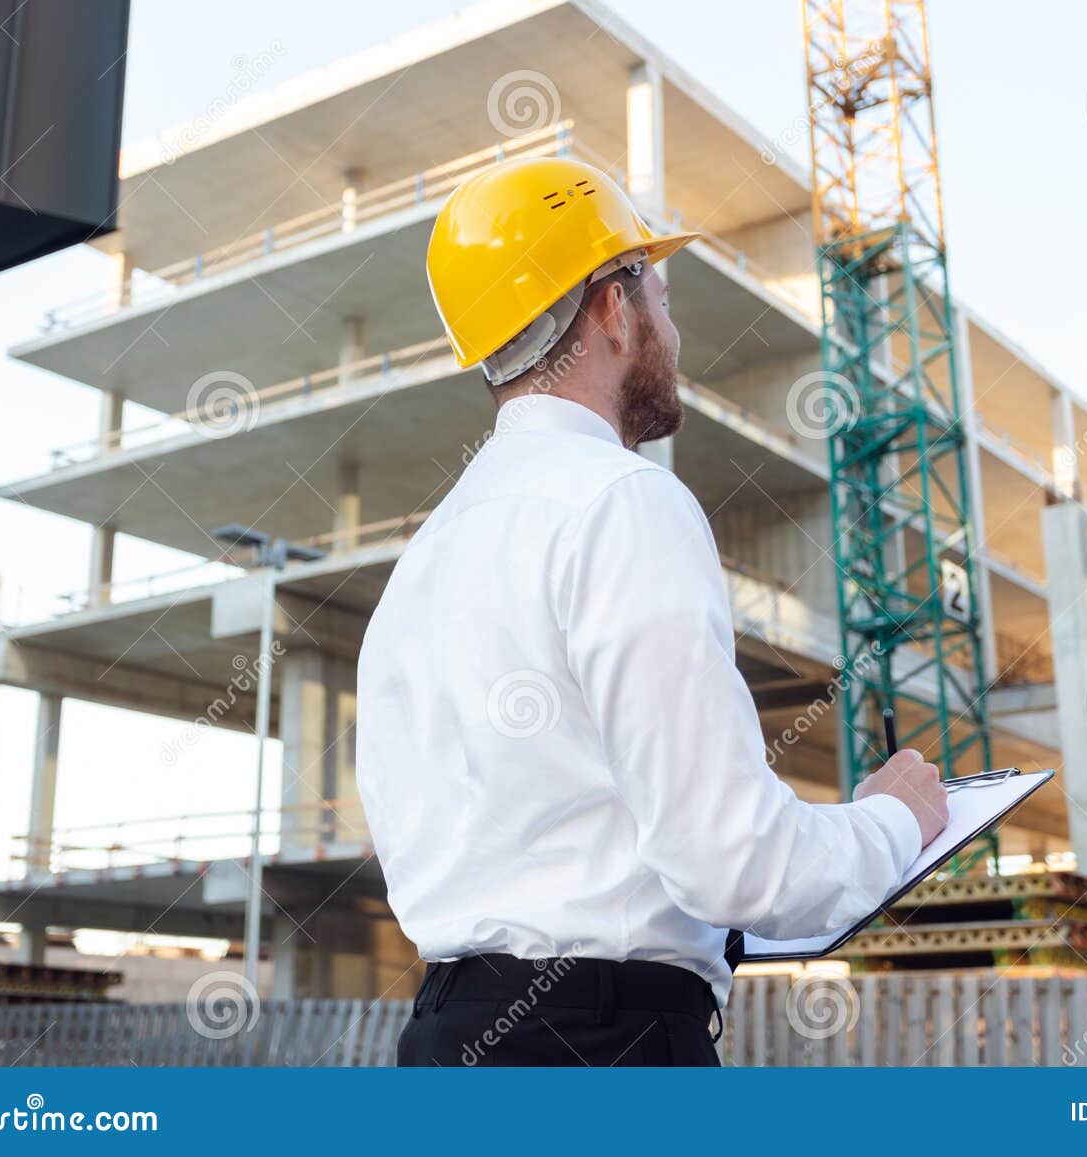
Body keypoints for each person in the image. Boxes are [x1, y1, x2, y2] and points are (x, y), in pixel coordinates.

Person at [356, 156, 948, 1067]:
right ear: (610, 307)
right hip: (601, 1048)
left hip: (447, 1041)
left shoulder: (426, 557)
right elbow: (734, 859)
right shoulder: (624, 500)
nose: (673, 328)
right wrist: (893, 820)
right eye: (661, 298)